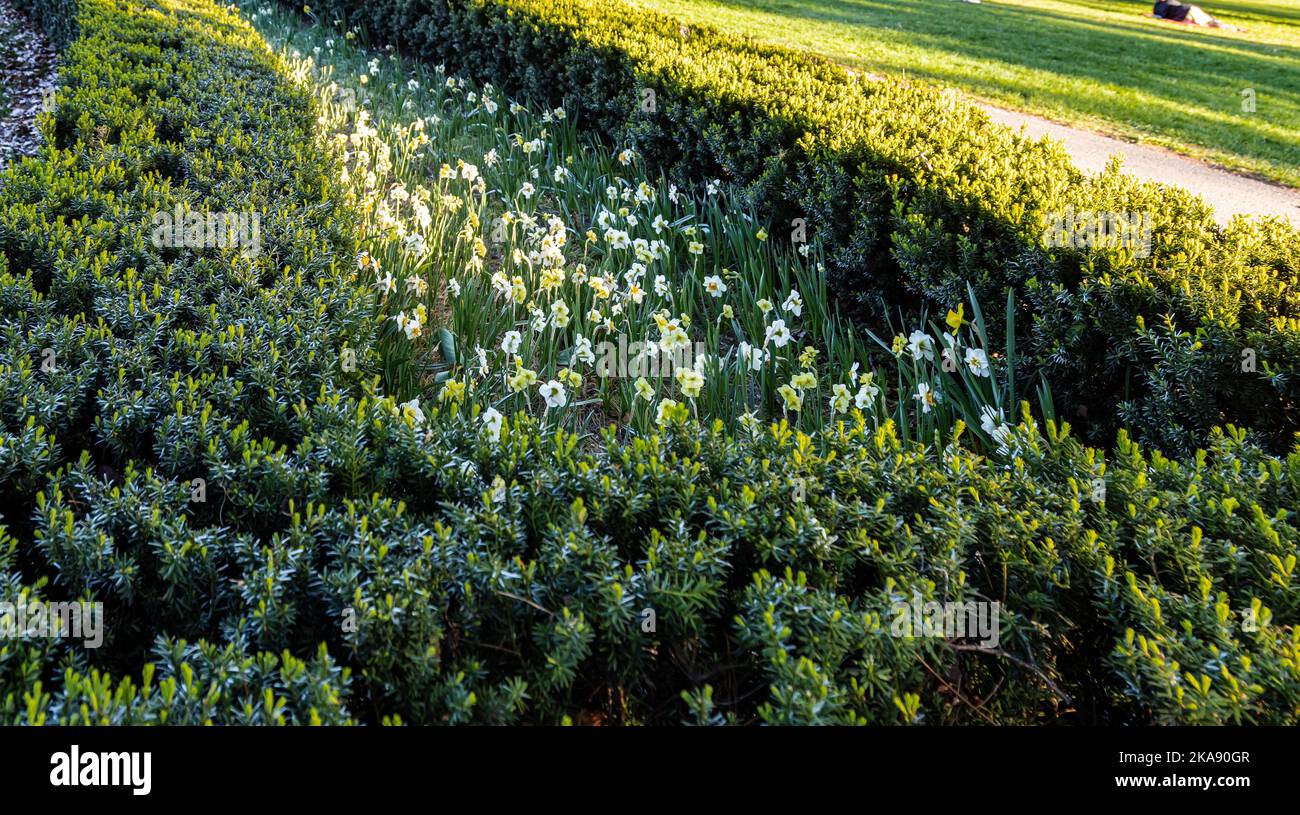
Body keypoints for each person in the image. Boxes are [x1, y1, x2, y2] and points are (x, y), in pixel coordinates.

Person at [1152, 0, 1240, 29]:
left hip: (1189, 11)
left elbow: (1159, 16)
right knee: (1208, 22)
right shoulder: (1168, 2)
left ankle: (1225, 26)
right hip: (1190, 10)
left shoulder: (1161, 5)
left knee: (1207, 22)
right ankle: (1226, 26)